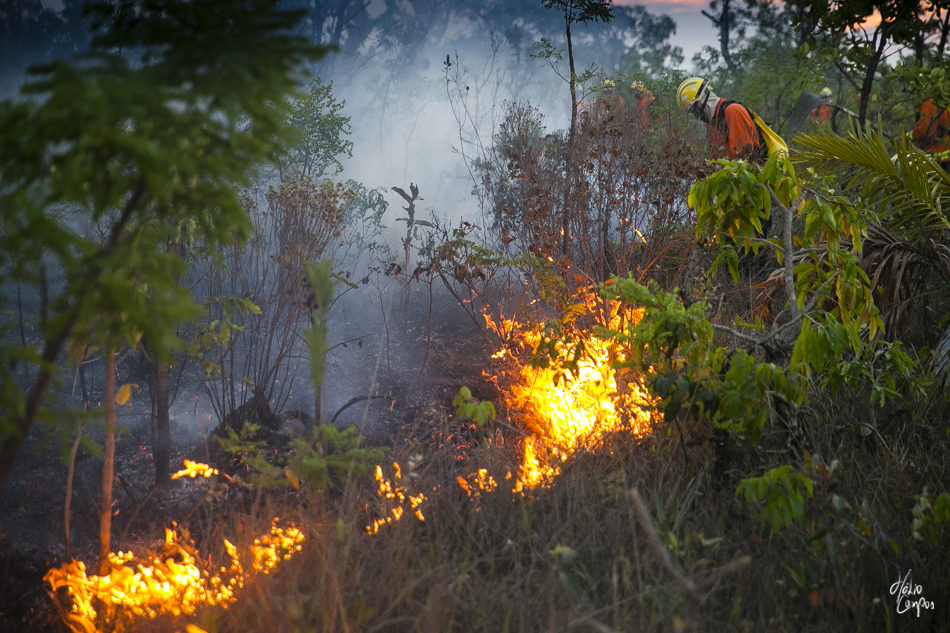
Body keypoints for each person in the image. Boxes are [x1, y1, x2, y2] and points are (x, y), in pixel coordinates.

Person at [676, 76, 767, 163]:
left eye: (693, 110)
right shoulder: (714, 123)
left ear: (701, 101)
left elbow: (742, 158)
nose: (695, 115)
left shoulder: (733, 111)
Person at [912, 98, 950, 172]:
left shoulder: (929, 104)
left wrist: (909, 135)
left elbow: (924, 131)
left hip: (939, 160)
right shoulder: (940, 101)